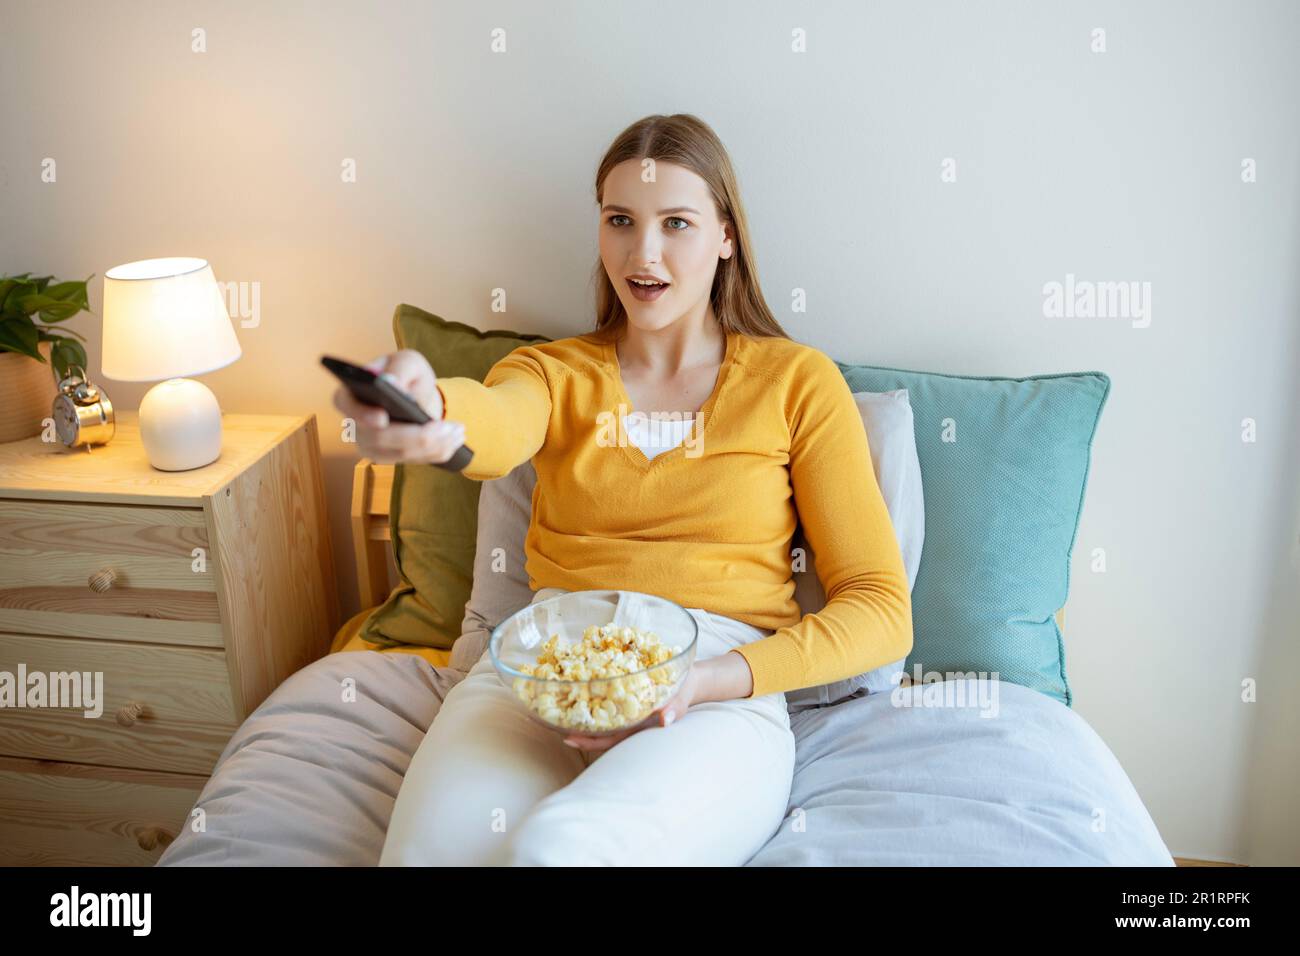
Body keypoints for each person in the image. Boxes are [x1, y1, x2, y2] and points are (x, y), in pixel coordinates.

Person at [332, 113, 912, 866]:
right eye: (620, 221)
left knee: (562, 850)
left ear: (726, 236)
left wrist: (704, 682)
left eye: (677, 223)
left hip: (712, 692)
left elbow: (878, 607)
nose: (644, 253)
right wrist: (431, 408)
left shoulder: (797, 382)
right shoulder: (551, 371)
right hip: (540, 672)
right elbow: (495, 423)